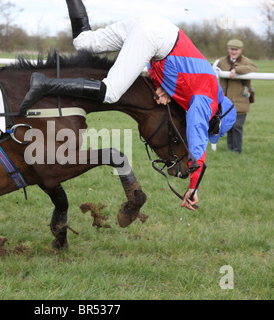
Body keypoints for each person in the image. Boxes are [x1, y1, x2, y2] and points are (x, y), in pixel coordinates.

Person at [20, 0, 237, 211]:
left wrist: (166, 88)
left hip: (152, 25)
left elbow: (178, 72)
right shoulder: (208, 100)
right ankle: (45, 84)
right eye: (211, 126)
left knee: (84, 42)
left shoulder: (209, 84)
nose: (207, 125)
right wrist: (193, 186)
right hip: (155, 37)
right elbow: (197, 142)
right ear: (217, 116)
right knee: (112, 91)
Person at [215, 39, 258, 154]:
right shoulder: (221, 61)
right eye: (231, 49)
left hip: (241, 101)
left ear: (241, 50)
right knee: (228, 126)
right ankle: (230, 149)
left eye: (236, 49)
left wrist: (236, 69)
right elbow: (212, 67)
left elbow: (254, 68)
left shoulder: (247, 61)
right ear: (228, 49)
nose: (233, 52)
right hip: (225, 102)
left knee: (237, 127)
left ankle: (237, 150)